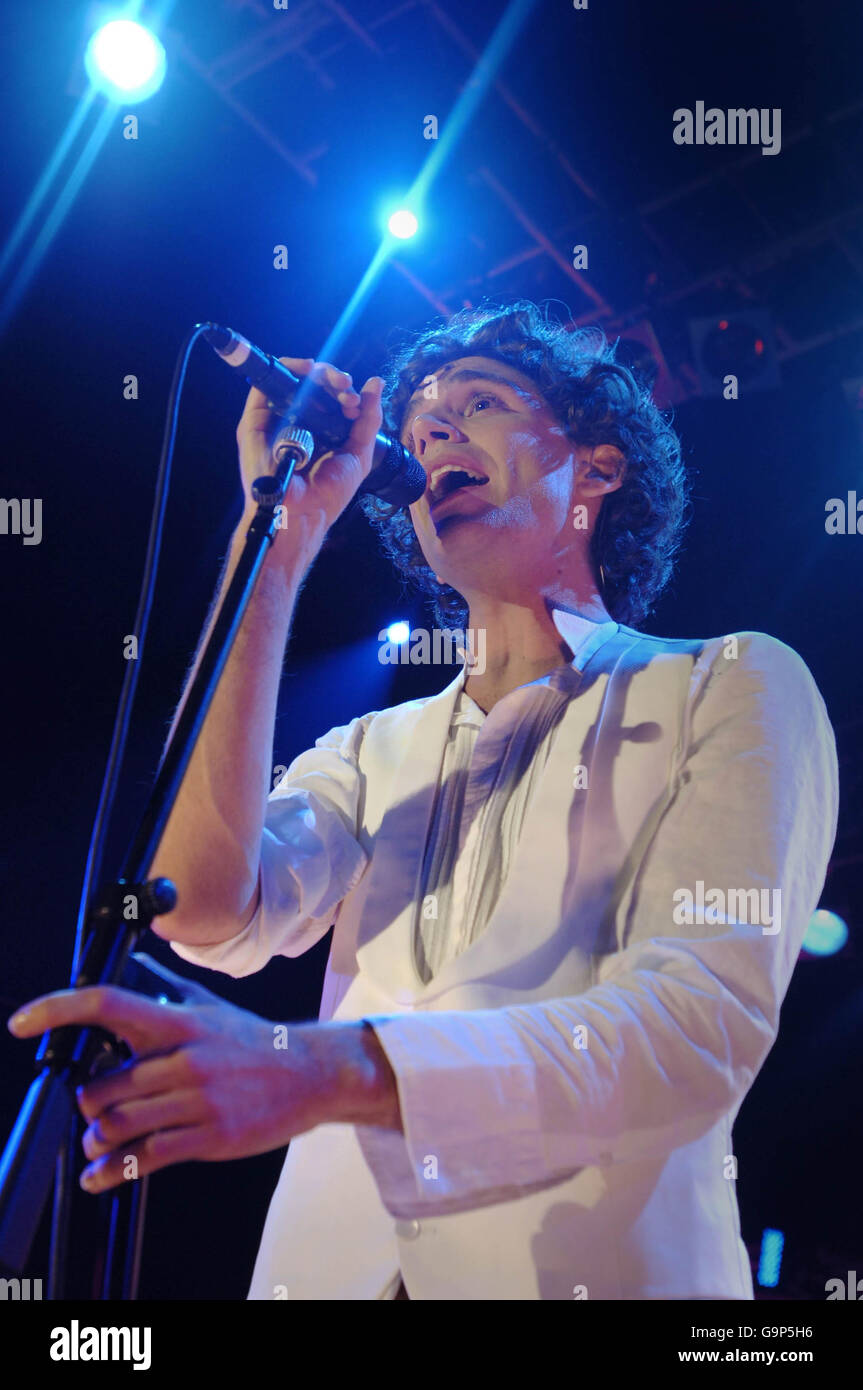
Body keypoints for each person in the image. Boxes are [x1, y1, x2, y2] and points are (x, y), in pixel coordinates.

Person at [9, 300, 839, 1300]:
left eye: (478, 402)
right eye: (415, 426)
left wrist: (321, 1070)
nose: (434, 427)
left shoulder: (728, 682)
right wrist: (277, 544)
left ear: (598, 467)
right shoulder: (369, 748)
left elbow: (692, 1030)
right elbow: (203, 906)